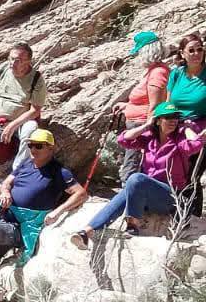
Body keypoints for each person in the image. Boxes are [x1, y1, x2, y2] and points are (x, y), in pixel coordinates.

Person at [0, 129, 87, 283]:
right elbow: (7, 182)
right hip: (8, 216)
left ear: (51, 148)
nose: (33, 149)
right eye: (31, 145)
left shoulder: (59, 172)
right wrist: (5, 193)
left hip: (25, 228)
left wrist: (58, 212)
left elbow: (80, 193)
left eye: (39, 146)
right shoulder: (26, 164)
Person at [72, 103, 203, 249]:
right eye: (168, 117)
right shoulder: (150, 138)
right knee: (126, 192)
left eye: (176, 117)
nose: (173, 121)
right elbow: (123, 140)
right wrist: (146, 126)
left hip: (171, 197)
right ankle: (87, 232)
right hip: (148, 195)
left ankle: (133, 223)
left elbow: (196, 144)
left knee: (136, 179)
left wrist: (186, 127)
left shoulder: (178, 140)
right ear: (158, 120)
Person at [0, 43, 49, 190]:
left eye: (18, 60)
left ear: (28, 61)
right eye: (11, 59)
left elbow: (35, 110)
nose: (13, 63)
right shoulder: (2, 70)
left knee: (30, 132)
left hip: (22, 120)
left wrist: (13, 125)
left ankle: (16, 173)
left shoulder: (36, 78)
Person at [114, 30, 173, 181]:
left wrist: (147, 131)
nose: (137, 56)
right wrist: (127, 105)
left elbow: (155, 105)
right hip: (138, 124)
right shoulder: (154, 70)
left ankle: (129, 199)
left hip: (140, 127)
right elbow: (145, 100)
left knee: (131, 168)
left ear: (146, 51)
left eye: (139, 51)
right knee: (132, 165)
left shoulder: (158, 73)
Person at [165, 32, 206, 121]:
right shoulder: (176, 73)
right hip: (176, 124)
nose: (196, 53)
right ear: (182, 53)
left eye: (199, 49)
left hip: (199, 126)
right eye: (191, 50)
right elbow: (168, 103)